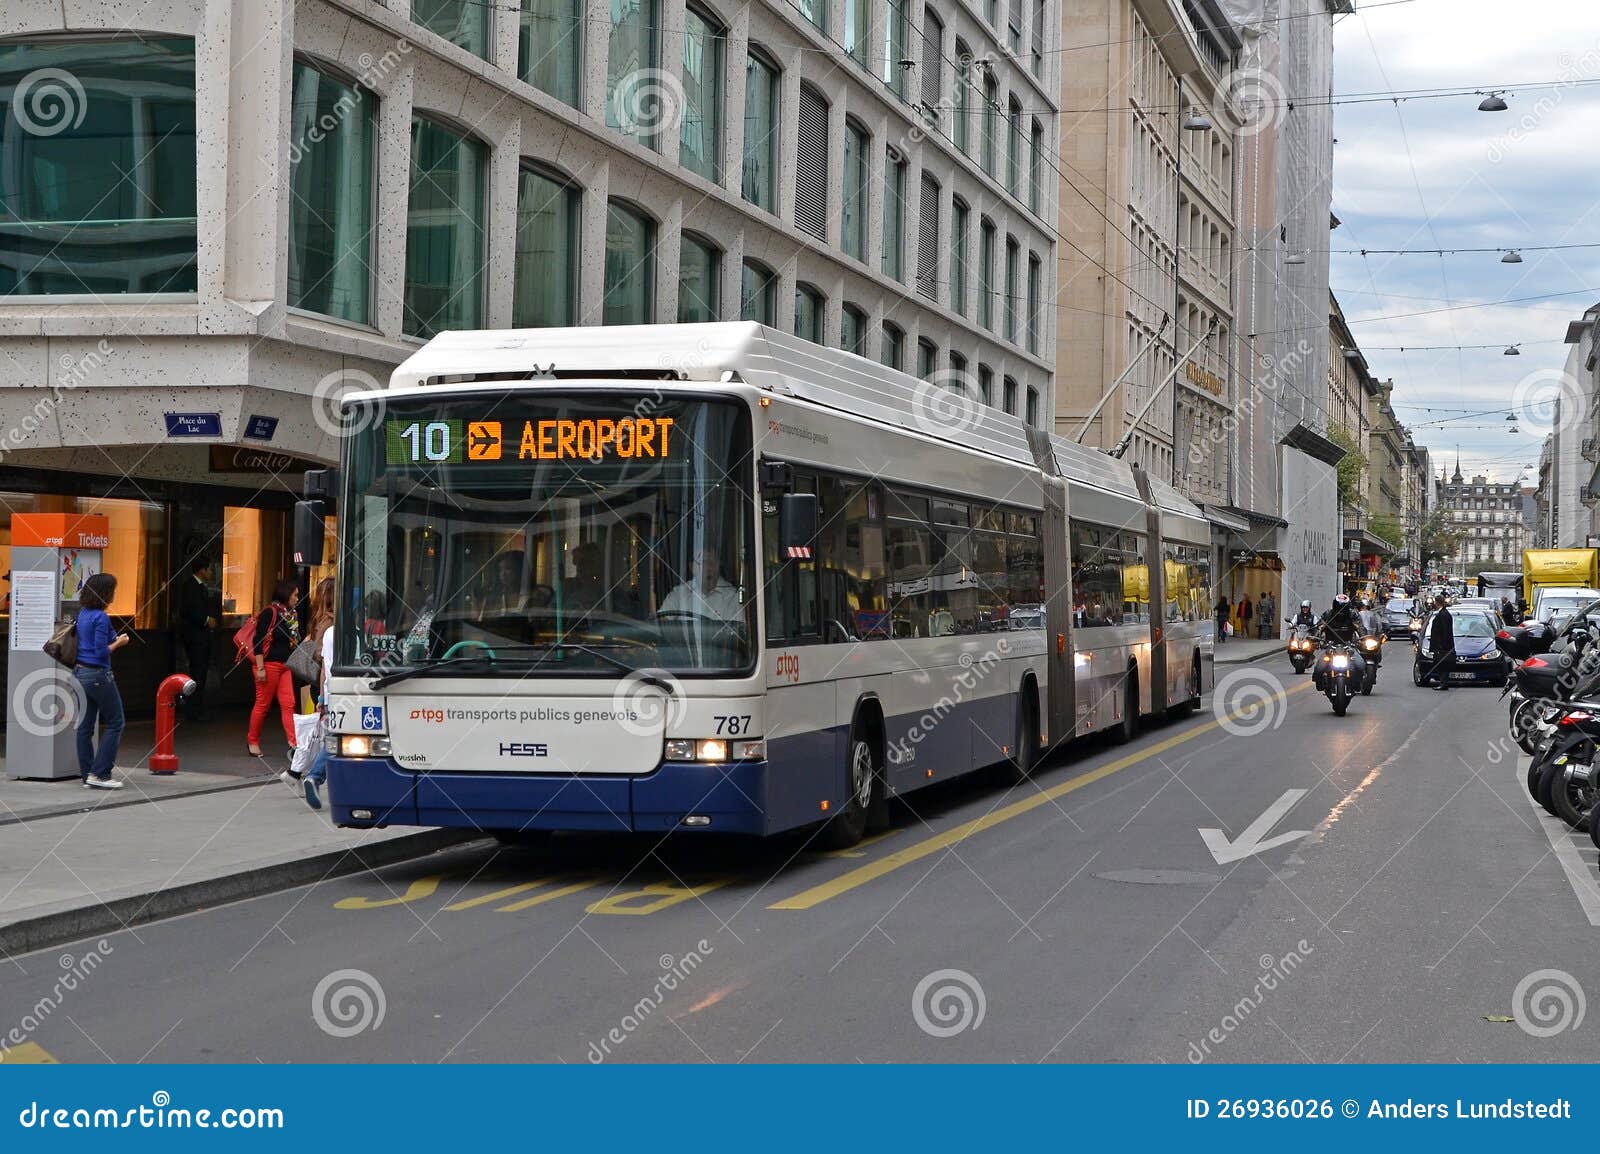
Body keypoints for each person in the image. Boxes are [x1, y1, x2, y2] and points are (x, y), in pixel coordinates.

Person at [74, 572, 130, 790]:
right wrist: (119, 643)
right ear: (105, 593)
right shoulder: (100, 617)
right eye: (113, 590)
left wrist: (114, 637)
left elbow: (101, 638)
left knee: (85, 726)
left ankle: (88, 774)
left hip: (80, 672)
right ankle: (100, 773)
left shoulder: (84, 613)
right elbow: (101, 652)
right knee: (116, 722)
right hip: (98, 674)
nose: (114, 594)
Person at [247, 579, 300, 757]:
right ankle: (252, 741)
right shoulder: (270, 612)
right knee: (263, 705)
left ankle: (294, 743)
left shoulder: (290, 615)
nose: (297, 598)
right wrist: (260, 668)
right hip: (269, 665)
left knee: (289, 704)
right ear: (286, 594)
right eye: (295, 595)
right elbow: (258, 640)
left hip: (285, 666)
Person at [302, 577, 337, 810]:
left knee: (335, 737)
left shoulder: (323, 626)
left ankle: (310, 774)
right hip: (345, 691)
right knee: (339, 738)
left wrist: (322, 699)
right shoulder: (339, 628)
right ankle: (314, 775)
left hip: (329, 690)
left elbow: (324, 669)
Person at [176, 557, 216, 722]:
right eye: (209, 569)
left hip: (202, 637)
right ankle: (193, 710)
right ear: (202, 570)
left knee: (201, 672)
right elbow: (189, 611)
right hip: (195, 638)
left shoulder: (201, 587)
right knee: (197, 672)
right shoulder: (190, 587)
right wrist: (206, 620)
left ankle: (197, 708)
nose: (211, 573)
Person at [661, 546, 743, 621]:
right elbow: (661, 623)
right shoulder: (678, 594)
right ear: (692, 567)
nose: (709, 568)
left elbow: (737, 630)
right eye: (703, 563)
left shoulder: (733, 597)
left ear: (719, 565)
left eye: (713, 563)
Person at [1426, 594, 1455, 691]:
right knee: (1441, 664)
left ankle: (1444, 683)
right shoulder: (1443, 613)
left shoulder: (1443, 615)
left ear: (1438, 602)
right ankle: (1443, 682)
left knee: (1442, 664)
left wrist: (1441, 645)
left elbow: (1444, 631)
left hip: (1442, 646)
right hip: (1442, 645)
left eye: (1435, 602)